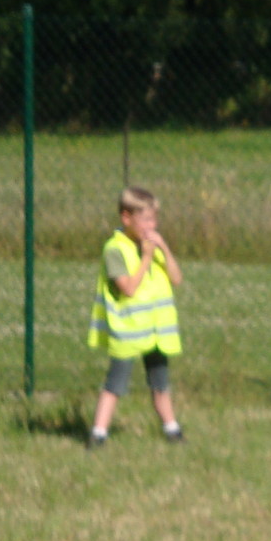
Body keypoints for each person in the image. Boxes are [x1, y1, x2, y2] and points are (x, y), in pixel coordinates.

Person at [87, 186, 185, 449]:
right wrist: (145, 259)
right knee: (115, 385)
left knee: (160, 384)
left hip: (154, 331)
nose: (150, 226)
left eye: (154, 220)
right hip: (128, 332)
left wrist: (163, 247)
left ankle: (172, 429)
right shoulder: (114, 250)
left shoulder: (152, 245)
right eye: (145, 220)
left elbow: (176, 278)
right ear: (126, 218)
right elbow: (128, 288)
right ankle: (98, 435)